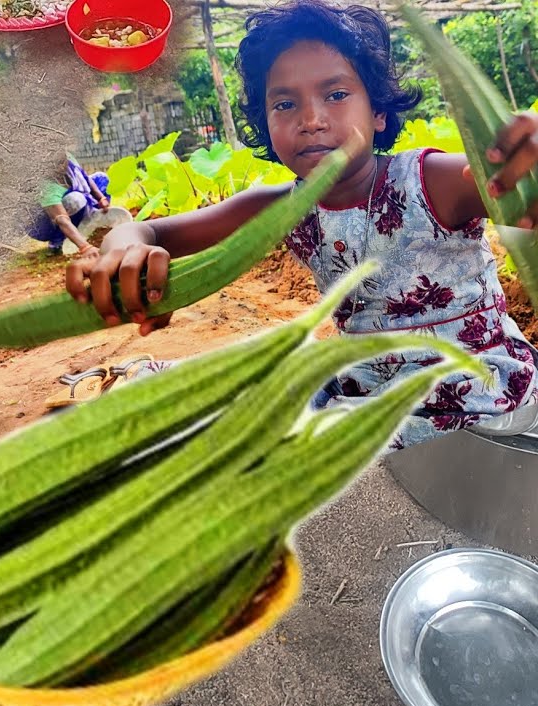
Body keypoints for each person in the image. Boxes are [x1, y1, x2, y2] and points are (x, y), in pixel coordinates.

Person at [65, 0, 538, 450]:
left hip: (475, 396)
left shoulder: (433, 181)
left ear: (377, 113)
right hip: (365, 384)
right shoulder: (280, 206)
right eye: (285, 104)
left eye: (335, 94)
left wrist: (528, 162)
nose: (311, 119)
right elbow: (151, 232)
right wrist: (124, 245)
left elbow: (517, 188)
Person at [27, 156, 126, 258]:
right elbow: (61, 219)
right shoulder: (47, 186)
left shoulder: (67, 158)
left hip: (68, 202)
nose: (60, 165)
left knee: (101, 178)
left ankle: (92, 222)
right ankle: (57, 241)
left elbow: (85, 178)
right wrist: (86, 247)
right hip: (43, 224)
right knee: (75, 200)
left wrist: (101, 198)